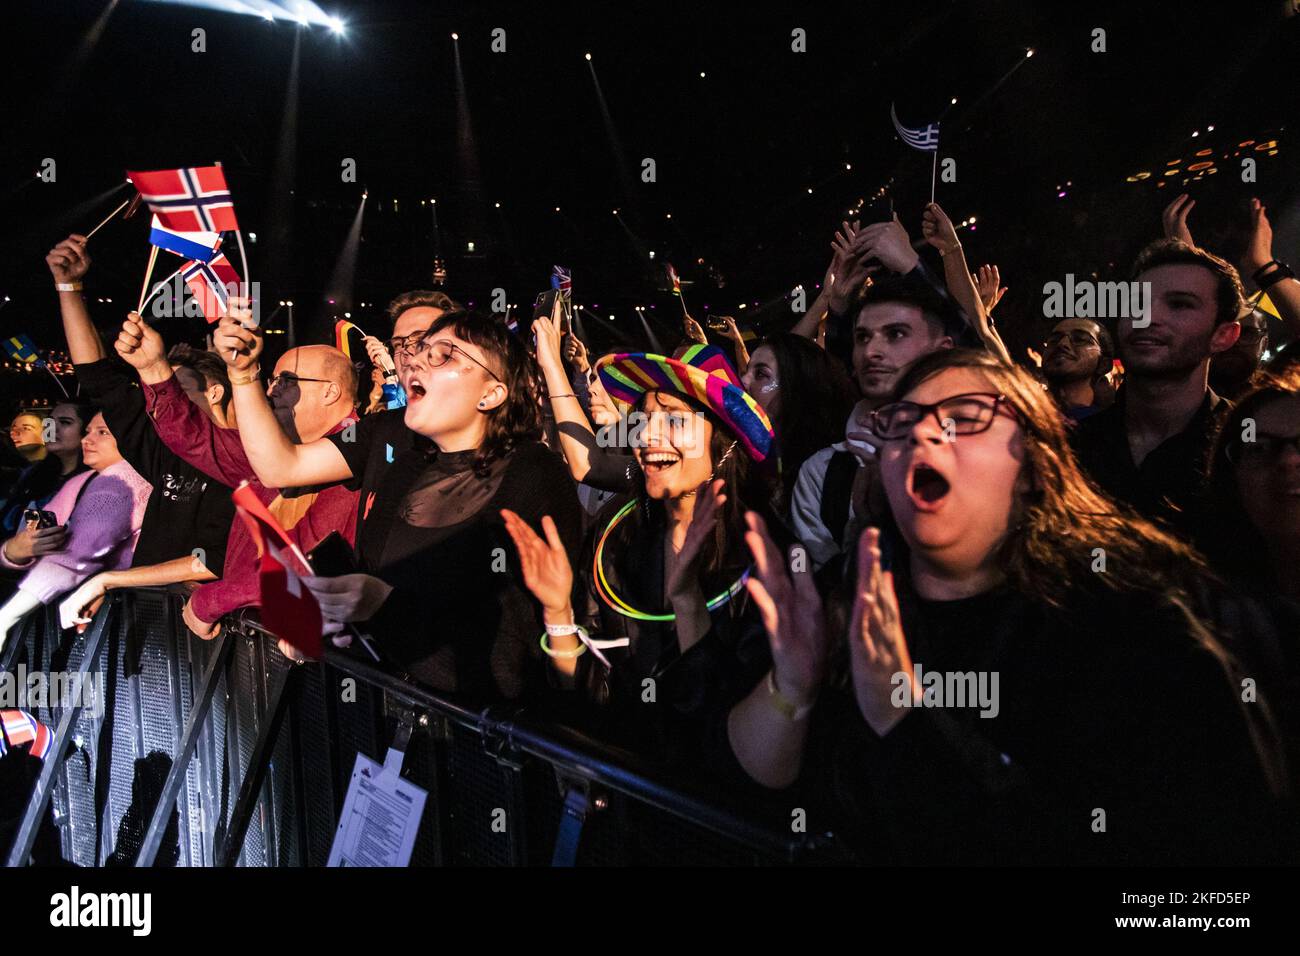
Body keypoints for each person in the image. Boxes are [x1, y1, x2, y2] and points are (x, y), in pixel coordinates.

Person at [725, 348, 1287, 864]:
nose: (925, 435)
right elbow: (753, 788)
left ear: (1035, 466)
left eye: (964, 417)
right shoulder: (851, 594)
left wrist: (907, 723)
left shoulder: (1135, 620)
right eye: (903, 423)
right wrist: (790, 690)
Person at [213, 303, 583, 704]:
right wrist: (332, 625)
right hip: (384, 721)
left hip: (480, 739)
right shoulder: (405, 463)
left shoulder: (533, 474)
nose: (415, 360)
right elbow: (280, 468)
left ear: (492, 393)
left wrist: (381, 606)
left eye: (442, 354)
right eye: (413, 349)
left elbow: (514, 652)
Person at [503, 344, 780, 766]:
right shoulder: (618, 533)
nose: (648, 437)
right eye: (644, 419)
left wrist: (686, 599)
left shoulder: (765, 557)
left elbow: (727, 729)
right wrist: (559, 613)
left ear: (723, 441)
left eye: (673, 419)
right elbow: (583, 696)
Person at [73, 312, 361, 639]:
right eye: (273, 380)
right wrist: (153, 368)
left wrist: (207, 601)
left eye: (287, 381)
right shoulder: (275, 453)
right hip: (251, 646)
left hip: (314, 661)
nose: (272, 391)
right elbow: (196, 440)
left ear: (331, 392)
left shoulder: (352, 457)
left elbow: (300, 564)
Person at [44, 234, 233, 591]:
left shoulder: (248, 464)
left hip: (211, 636)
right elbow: (98, 379)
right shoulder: (166, 455)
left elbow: (213, 560)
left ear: (215, 392)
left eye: (176, 388)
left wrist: (112, 580)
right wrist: (68, 286)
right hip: (146, 625)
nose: (164, 397)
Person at [1072, 239, 1245, 538]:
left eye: (1179, 304)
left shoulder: (1246, 450)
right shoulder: (1071, 446)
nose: (1147, 317)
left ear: (1223, 335)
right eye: (1137, 303)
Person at [790, 276, 957, 571]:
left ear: (941, 351)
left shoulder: (975, 445)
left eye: (895, 334)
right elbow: (824, 587)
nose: (871, 352)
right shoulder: (821, 470)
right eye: (863, 338)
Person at [0, 414, 152, 645]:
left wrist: (5, 617)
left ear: (131, 436)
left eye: (102, 432)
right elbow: (35, 543)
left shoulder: (123, 482)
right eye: (88, 431)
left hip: (119, 624)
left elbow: (72, 557)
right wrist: (13, 552)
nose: (86, 440)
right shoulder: (80, 480)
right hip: (69, 618)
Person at [740, 332, 856, 515]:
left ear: (797, 386)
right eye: (746, 371)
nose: (743, 381)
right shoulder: (750, 464)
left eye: (761, 373)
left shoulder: (831, 472)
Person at [1, 403, 92, 536]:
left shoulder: (94, 484)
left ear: (88, 431)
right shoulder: (33, 473)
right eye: (49, 422)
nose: (52, 429)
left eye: (65, 422)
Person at [1038, 318, 1117, 420]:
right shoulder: (1021, 417)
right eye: (1053, 340)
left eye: (1080, 339)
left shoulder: (1113, 426)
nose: (1062, 344)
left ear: (1103, 363)